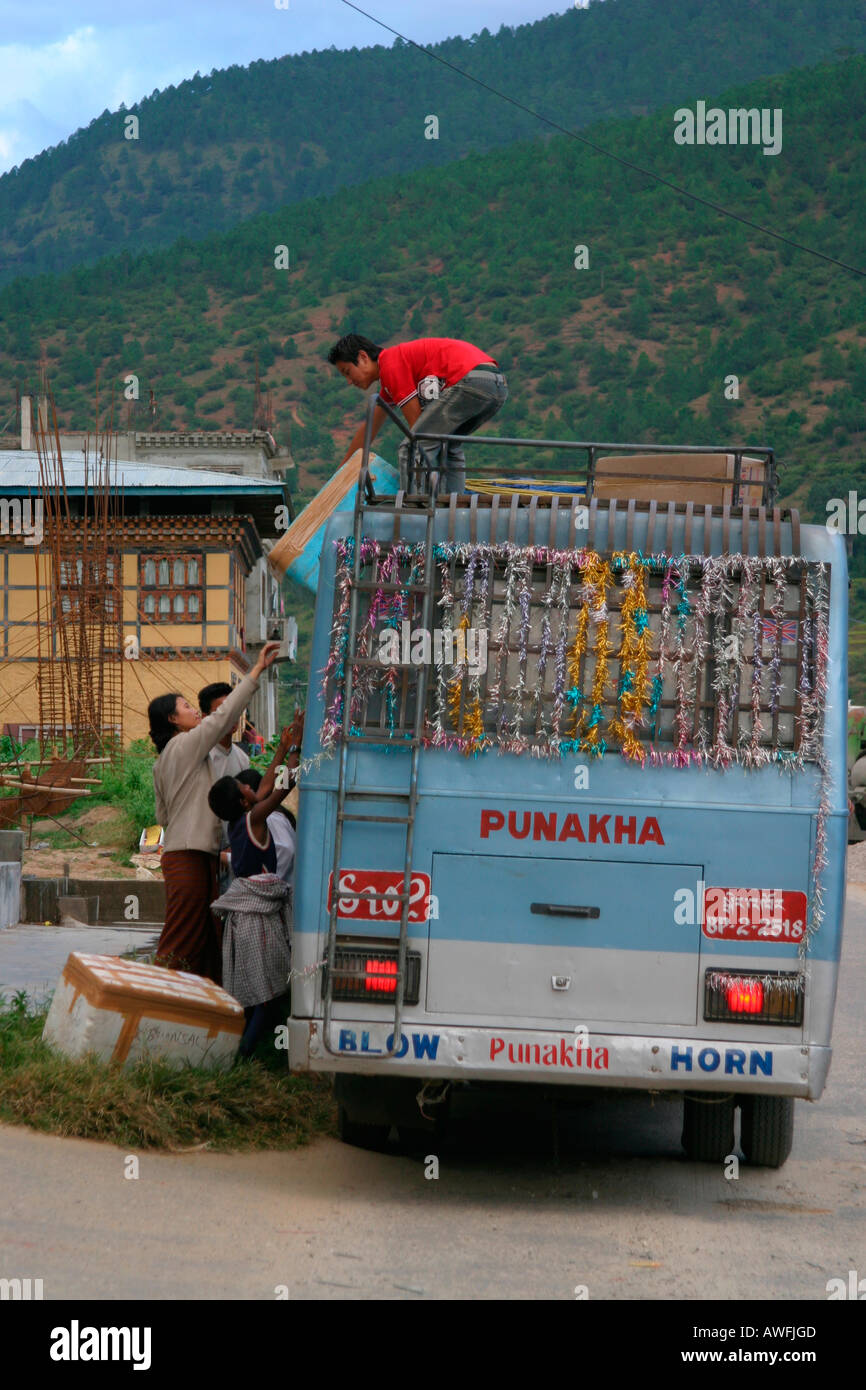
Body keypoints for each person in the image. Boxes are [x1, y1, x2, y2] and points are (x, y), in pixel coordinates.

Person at [147, 640, 280, 983]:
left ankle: (198, 1012)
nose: (195, 711)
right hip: (189, 855)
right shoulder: (185, 744)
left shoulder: (170, 758)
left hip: (191, 852)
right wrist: (255, 672)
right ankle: (158, 1002)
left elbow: (163, 816)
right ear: (173, 720)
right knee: (183, 937)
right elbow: (222, 719)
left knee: (205, 937)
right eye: (186, 706)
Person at [207, 717, 302, 1057]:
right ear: (246, 802)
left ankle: (239, 1048)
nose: (250, 785)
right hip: (257, 919)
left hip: (242, 918)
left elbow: (263, 787)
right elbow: (282, 787)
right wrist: (294, 750)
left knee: (254, 991)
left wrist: (279, 748)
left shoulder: (239, 822)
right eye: (245, 787)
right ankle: (241, 1055)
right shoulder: (255, 818)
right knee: (266, 994)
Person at [328, 333, 508, 496]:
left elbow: (417, 429)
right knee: (449, 445)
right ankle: (453, 509)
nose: (349, 381)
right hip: (495, 384)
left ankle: (416, 514)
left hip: (471, 380)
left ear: (363, 357)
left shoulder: (390, 364)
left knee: (413, 446)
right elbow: (369, 428)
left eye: (348, 372)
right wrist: (339, 475)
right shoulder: (392, 375)